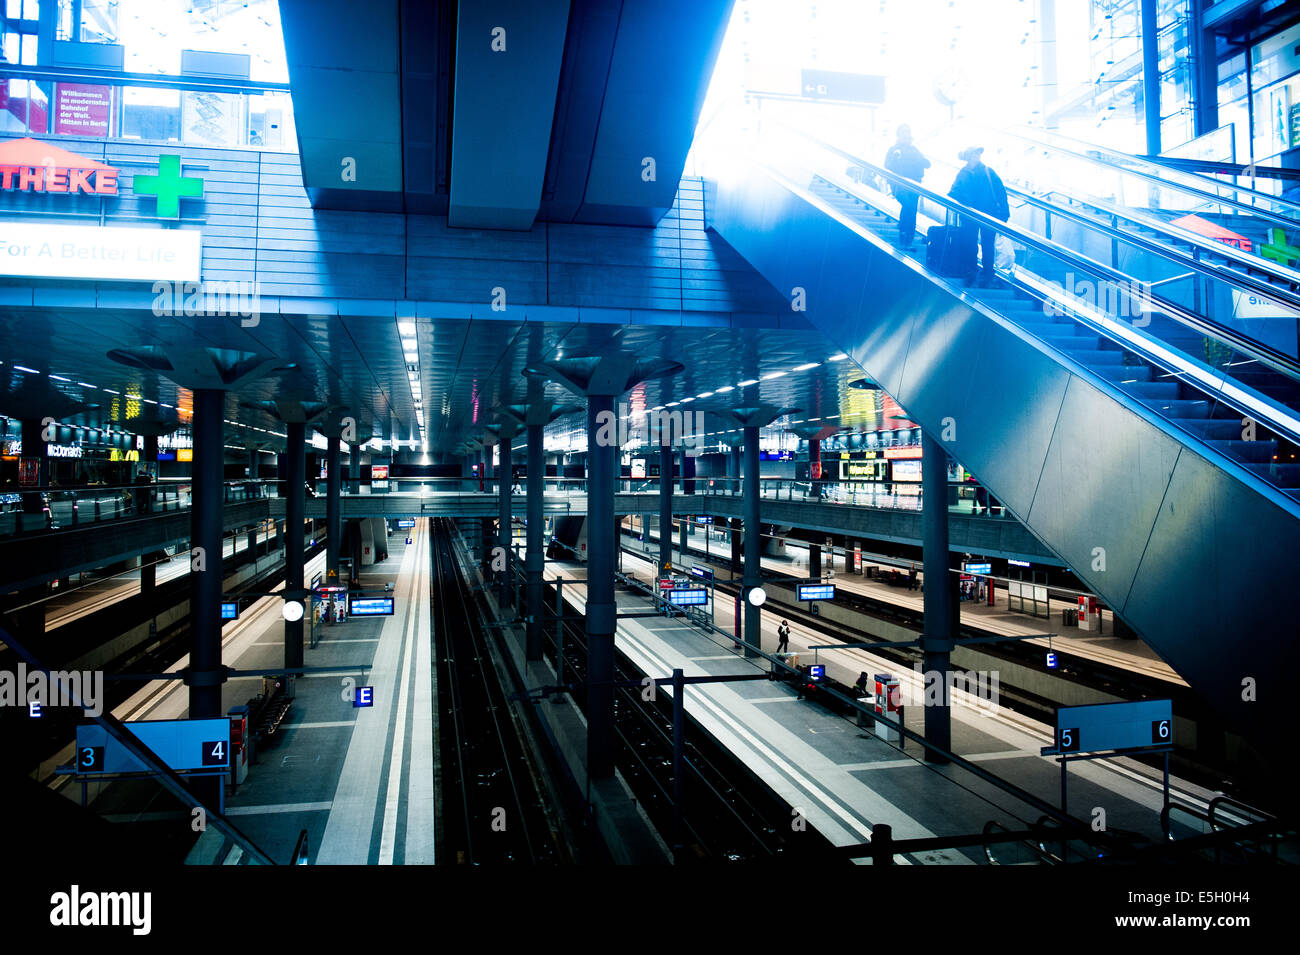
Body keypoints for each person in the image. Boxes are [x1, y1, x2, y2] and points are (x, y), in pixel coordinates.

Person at [948, 146, 1010, 287]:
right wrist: (963, 200)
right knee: (970, 242)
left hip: (988, 214)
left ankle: (987, 273)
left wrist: (1004, 214)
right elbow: (953, 192)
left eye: (978, 153)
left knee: (987, 244)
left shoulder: (988, 171)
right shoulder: (963, 173)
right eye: (974, 153)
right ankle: (972, 270)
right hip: (969, 215)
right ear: (968, 156)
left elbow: (1001, 192)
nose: (977, 155)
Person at [884, 125, 930, 251]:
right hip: (899, 185)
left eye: (908, 132)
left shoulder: (914, 150)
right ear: (898, 135)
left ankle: (908, 239)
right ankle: (904, 236)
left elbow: (927, 164)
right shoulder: (894, 150)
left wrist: (921, 162)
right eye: (904, 132)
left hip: (914, 186)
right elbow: (887, 167)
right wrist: (895, 158)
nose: (906, 135)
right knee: (908, 206)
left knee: (912, 209)